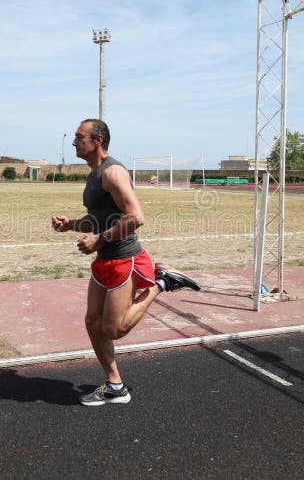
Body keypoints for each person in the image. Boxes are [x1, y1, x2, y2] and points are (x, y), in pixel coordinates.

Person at [51, 118, 200, 407]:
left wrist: (100, 240)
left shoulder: (113, 172)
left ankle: (162, 283)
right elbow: (99, 218)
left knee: (115, 329)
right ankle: (115, 386)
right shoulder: (94, 175)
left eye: (79, 137)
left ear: (98, 141)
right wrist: (70, 225)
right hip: (105, 260)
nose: (73, 142)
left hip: (124, 259)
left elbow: (135, 217)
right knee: (93, 324)